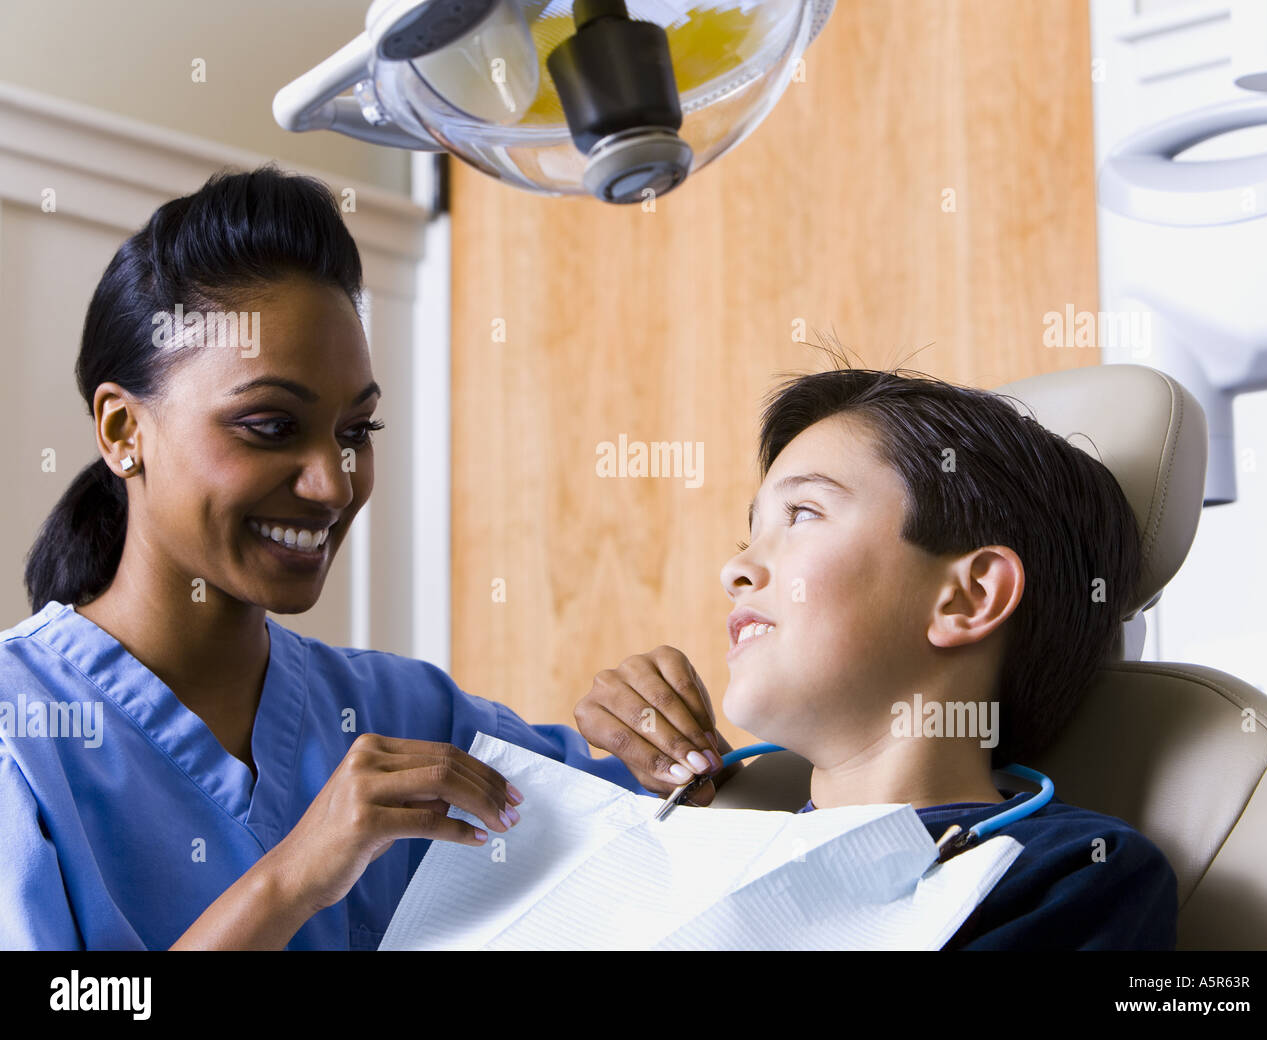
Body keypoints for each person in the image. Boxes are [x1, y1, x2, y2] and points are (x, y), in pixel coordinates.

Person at [0, 164, 706, 951]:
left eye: (355, 432)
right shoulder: (19, 733)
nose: (331, 484)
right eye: (269, 425)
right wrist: (296, 876)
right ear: (124, 432)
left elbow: (705, 843)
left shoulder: (412, 718)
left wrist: (656, 742)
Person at [576, 363, 1179, 949]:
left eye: (803, 514)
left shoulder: (1070, 874)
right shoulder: (697, 821)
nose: (736, 569)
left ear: (967, 597)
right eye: (750, 535)